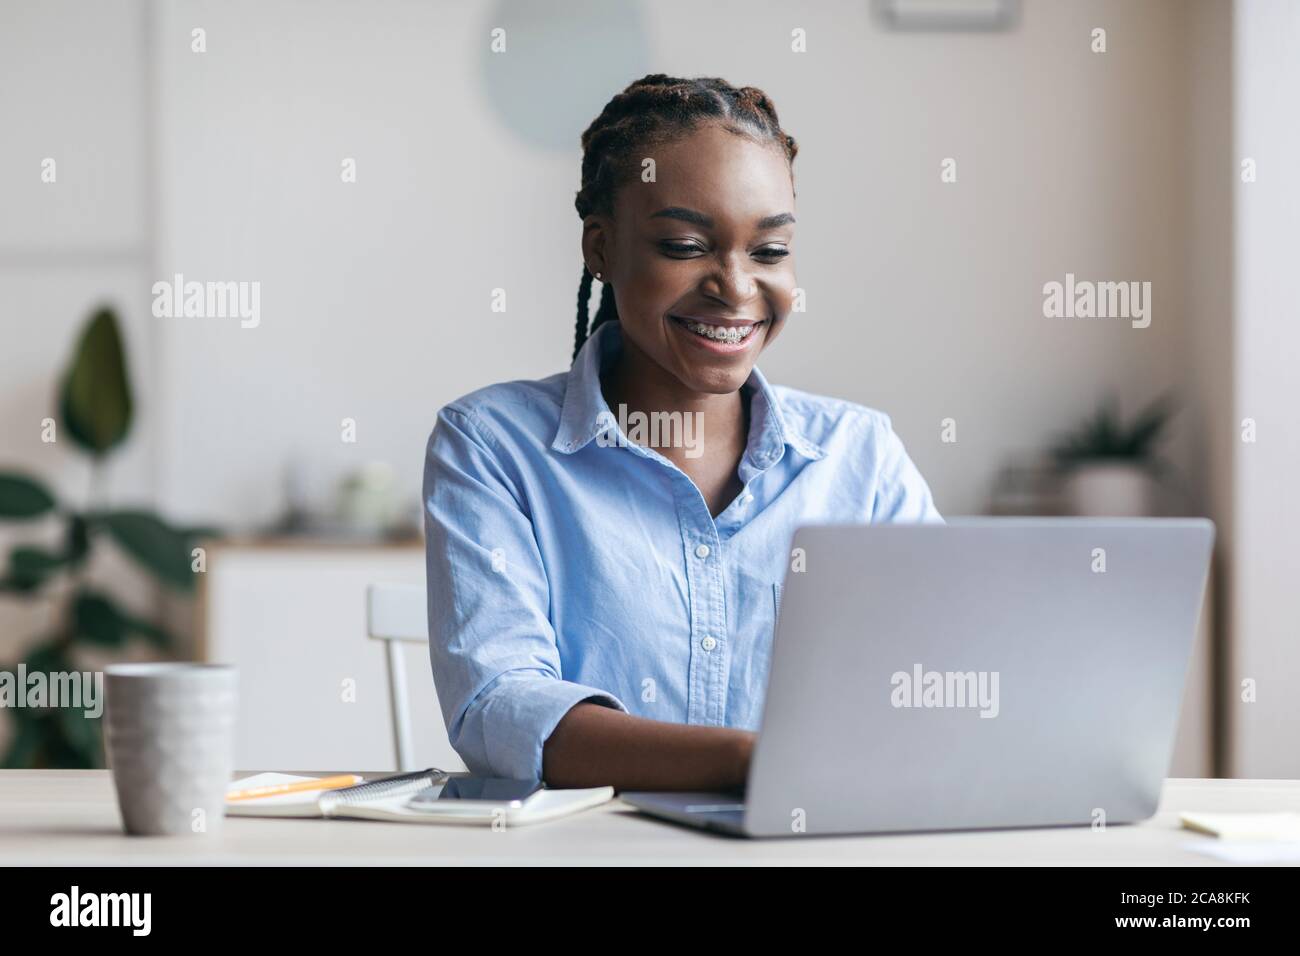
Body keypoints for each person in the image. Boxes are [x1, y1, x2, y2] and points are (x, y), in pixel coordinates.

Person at [423, 74, 941, 792]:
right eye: (685, 244)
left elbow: (946, 672)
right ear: (600, 249)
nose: (734, 287)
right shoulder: (492, 446)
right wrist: (747, 764)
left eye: (768, 252)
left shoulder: (862, 456)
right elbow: (501, 708)